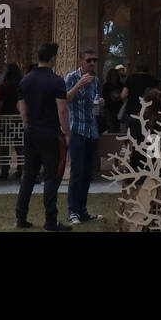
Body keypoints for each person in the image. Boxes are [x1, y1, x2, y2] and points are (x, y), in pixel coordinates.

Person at [16, 42, 70, 231]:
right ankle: (50, 221)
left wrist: (26, 124)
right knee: (51, 176)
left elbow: (22, 106)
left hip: (31, 131)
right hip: (49, 132)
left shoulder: (25, 80)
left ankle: (21, 218)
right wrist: (67, 132)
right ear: (53, 58)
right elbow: (62, 110)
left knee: (28, 176)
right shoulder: (56, 81)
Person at [64, 46, 103, 224]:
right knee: (77, 172)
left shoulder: (96, 80)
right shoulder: (71, 77)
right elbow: (64, 99)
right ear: (81, 61)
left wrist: (100, 102)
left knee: (88, 173)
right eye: (89, 60)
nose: (92, 63)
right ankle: (73, 211)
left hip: (92, 131)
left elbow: (93, 103)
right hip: (77, 130)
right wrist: (79, 84)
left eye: (95, 60)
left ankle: (82, 210)